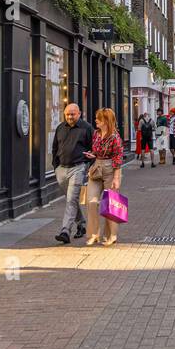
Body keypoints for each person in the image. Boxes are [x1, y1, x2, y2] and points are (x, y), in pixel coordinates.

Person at [52, 103, 94, 245]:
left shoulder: (87, 128)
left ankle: (65, 231)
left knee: (71, 199)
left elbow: (94, 148)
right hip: (61, 170)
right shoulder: (60, 128)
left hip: (78, 168)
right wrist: (55, 167)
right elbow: (55, 148)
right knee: (72, 200)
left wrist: (89, 166)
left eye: (73, 114)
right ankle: (81, 224)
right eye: (67, 114)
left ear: (79, 114)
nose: (70, 116)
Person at [85, 108, 124, 247]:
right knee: (91, 201)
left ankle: (111, 235)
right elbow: (97, 151)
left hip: (111, 170)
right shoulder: (96, 134)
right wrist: (93, 154)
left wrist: (116, 178)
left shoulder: (115, 137)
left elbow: (118, 158)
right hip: (96, 168)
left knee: (110, 203)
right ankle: (94, 234)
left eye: (98, 118)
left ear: (106, 121)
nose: (95, 120)